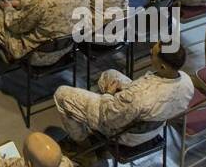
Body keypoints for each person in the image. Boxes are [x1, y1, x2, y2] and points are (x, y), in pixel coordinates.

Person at [53, 44, 195, 160]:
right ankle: (92, 124)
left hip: (124, 133)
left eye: (152, 53)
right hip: (153, 126)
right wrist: (125, 92)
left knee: (61, 94)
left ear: (163, 67)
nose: (150, 50)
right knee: (110, 75)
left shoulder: (138, 96)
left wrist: (109, 94)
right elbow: (147, 98)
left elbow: (109, 117)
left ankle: (83, 146)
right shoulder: (187, 82)